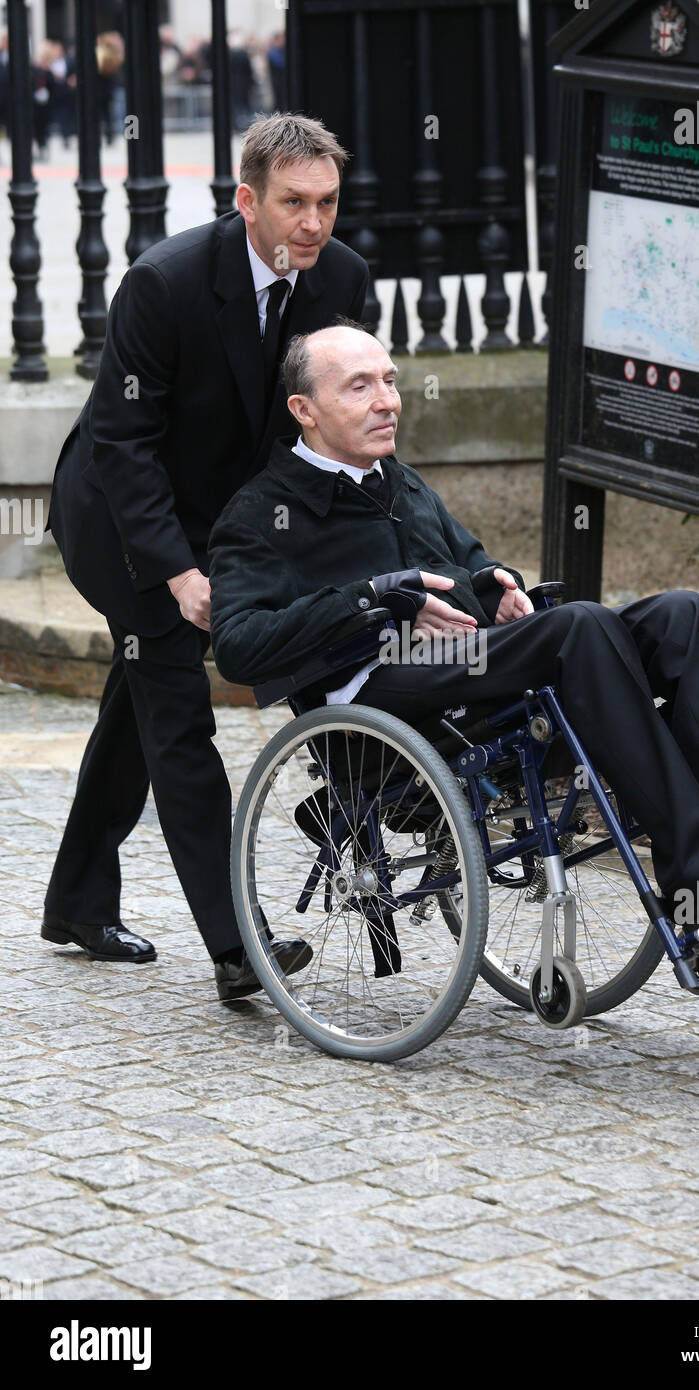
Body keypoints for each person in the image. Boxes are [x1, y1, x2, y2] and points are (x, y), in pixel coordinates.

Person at [207, 324, 699, 914]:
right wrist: (374, 595)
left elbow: (473, 564)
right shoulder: (260, 512)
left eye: (390, 381)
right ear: (306, 410)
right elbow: (238, 650)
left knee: (683, 616)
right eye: (360, 387)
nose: (388, 400)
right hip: (385, 698)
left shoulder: (397, 481)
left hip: (471, 668)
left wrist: (498, 583)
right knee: (580, 626)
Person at [44, 114, 369, 1004]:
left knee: (140, 698)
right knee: (178, 709)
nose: (313, 222)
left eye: (327, 202)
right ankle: (240, 949)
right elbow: (122, 444)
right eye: (293, 203)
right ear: (247, 201)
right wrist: (180, 574)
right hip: (125, 523)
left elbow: (323, 426)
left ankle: (75, 902)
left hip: (225, 519)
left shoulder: (341, 279)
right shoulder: (164, 283)